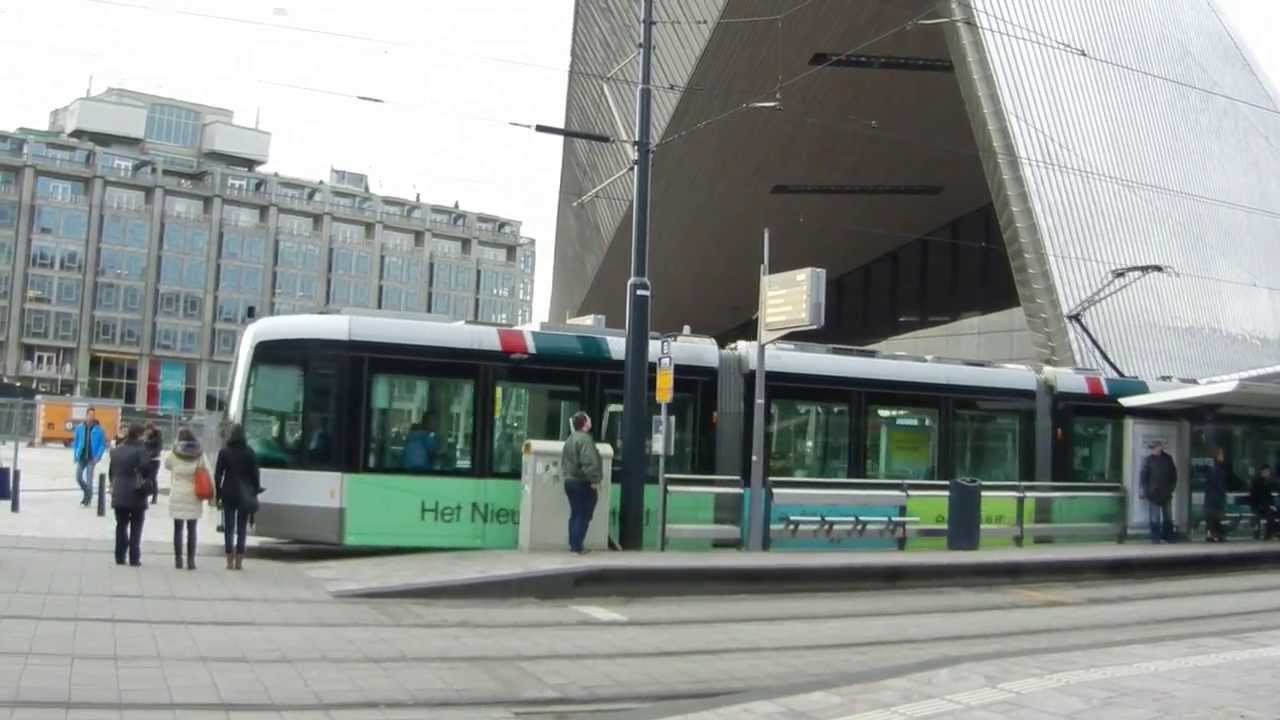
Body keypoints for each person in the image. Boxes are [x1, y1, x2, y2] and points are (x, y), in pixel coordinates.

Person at [215, 423, 261, 570]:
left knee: (229, 527)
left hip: (228, 493)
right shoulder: (250, 453)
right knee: (241, 527)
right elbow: (255, 475)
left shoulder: (224, 452)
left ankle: (229, 560)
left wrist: (218, 493)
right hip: (244, 494)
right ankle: (239, 560)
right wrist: (255, 490)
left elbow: (218, 475)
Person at [109, 423, 155, 566]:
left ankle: (119, 555)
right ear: (140, 435)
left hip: (119, 491)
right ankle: (134, 557)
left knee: (121, 525)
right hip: (136, 492)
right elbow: (146, 470)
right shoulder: (141, 450)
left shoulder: (117, 450)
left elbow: (112, 472)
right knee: (136, 526)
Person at [165, 427, 208, 570]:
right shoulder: (199, 453)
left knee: (178, 529)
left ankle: (178, 560)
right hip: (194, 494)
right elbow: (205, 469)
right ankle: (191, 560)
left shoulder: (174, 453)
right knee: (192, 529)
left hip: (178, 492)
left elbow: (167, 465)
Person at [560, 411, 602, 555]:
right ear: (584, 423)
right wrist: (595, 480)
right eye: (589, 419)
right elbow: (589, 462)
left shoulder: (570, 439)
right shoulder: (585, 440)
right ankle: (577, 547)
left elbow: (564, 461)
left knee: (575, 513)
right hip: (582, 482)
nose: (591, 421)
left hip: (569, 481)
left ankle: (574, 545)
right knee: (583, 514)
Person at [1139, 441, 1177, 544]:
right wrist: (1147, 491)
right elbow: (1143, 477)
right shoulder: (1148, 460)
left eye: (1155, 448)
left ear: (1160, 448)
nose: (1153, 450)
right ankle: (1155, 538)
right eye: (1152, 448)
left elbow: (1174, 474)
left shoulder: (1168, 459)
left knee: (1168, 517)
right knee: (1154, 518)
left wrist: (1171, 488)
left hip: (1166, 493)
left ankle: (1168, 536)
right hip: (1153, 494)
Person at [71, 407, 108, 507]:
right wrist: (75, 455)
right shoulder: (80, 427)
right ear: (86, 415)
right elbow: (76, 442)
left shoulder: (99, 429)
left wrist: (98, 457)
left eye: (93, 415)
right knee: (78, 477)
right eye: (90, 414)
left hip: (92, 458)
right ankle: (87, 492)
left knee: (89, 479)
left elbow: (103, 444)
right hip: (81, 456)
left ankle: (87, 499)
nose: (91, 416)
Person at [1204, 447, 1231, 543]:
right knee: (1215, 517)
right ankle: (1215, 535)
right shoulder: (1216, 467)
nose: (1223, 456)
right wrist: (1221, 493)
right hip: (1215, 498)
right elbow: (1217, 483)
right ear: (1217, 455)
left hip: (1213, 497)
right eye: (1221, 454)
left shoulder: (1217, 467)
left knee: (1214, 517)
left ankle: (1214, 535)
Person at [1248, 465, 1278, 540]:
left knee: (1272, 515)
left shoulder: (1269, 481)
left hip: (1265, 506)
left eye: (1268, 472)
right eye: (1266, 472)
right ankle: (1268, 535)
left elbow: (1269, 495)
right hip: (1259, 506)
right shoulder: (1258, 482)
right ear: (1262, 472)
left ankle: (1270, 534)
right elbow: (1257, 496)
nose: (1268, 473)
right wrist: (1270, 505)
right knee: (1270, 515)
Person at [143, 422, 163, 506]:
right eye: (146, 430)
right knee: (145, 478)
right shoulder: (146, 437)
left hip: (154, 460)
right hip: (146, 460)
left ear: (152, 430)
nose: (147, 432)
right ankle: (145, 495)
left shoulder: (158, 437)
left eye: (148, 430)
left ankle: (154, 497)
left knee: (152, 478)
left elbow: (158, 449)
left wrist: (150, 454)